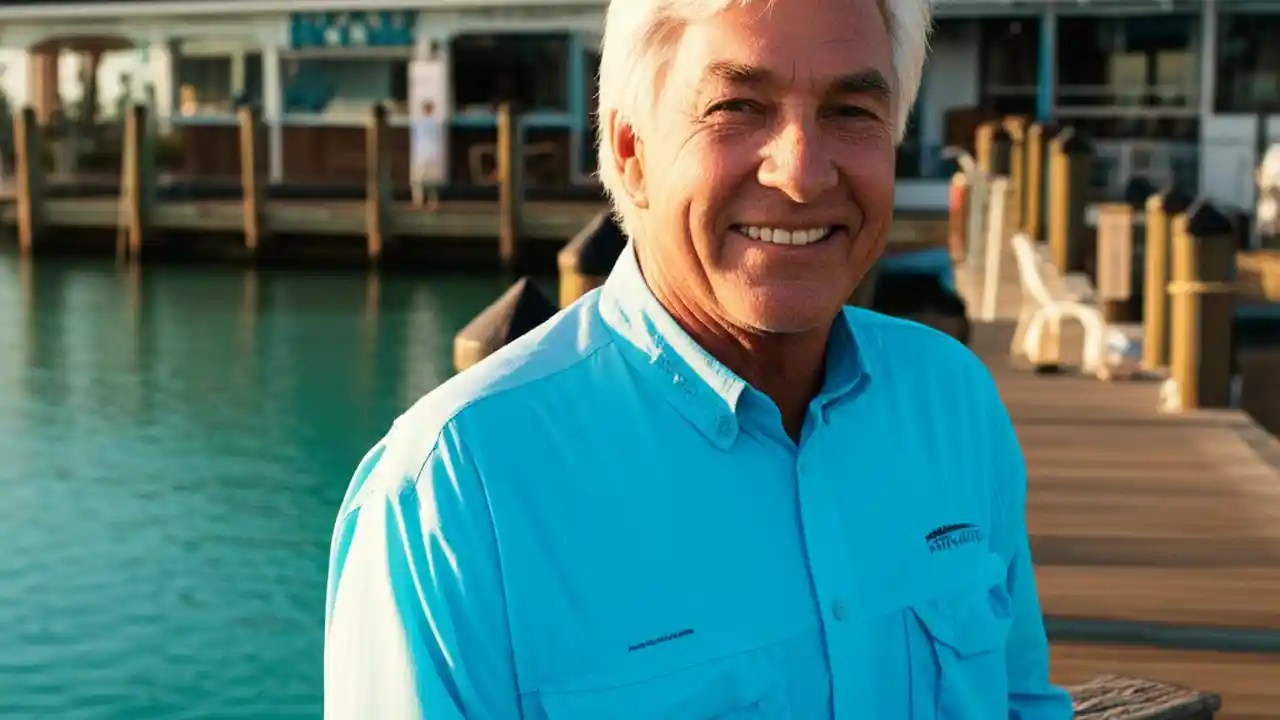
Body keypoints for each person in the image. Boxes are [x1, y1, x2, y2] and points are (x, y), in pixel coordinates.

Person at [324, 0, 1074, 717]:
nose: (803, 173)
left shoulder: (952, 402)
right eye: (736, 108)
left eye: (851, 111)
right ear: (630, 151)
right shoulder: (453, 494)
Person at [411, 99, 444, 211]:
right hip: (432, 154)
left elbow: (415, 141)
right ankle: (432, 202)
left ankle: (419, 201)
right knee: (431, 180)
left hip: (422, 154)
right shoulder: (435, 124)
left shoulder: (419, 124)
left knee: (420, 179)